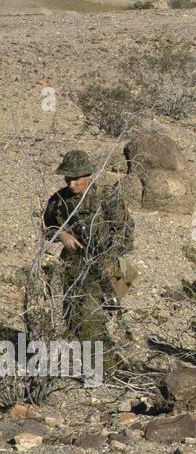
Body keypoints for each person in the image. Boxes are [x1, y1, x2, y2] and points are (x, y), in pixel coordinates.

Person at [42, 149, 135, 348]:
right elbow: (48, 228)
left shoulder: (106, 196)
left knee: (96, 314)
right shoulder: (58, 202)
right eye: (68, 178)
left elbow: (125, 230)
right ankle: (92, 356)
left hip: (106, 264)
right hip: (75, 264)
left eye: (76, 179)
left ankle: (107, 360)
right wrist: (62, 234)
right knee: (74, 311)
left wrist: (108, 258)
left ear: (87, 175)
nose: (71, 183)